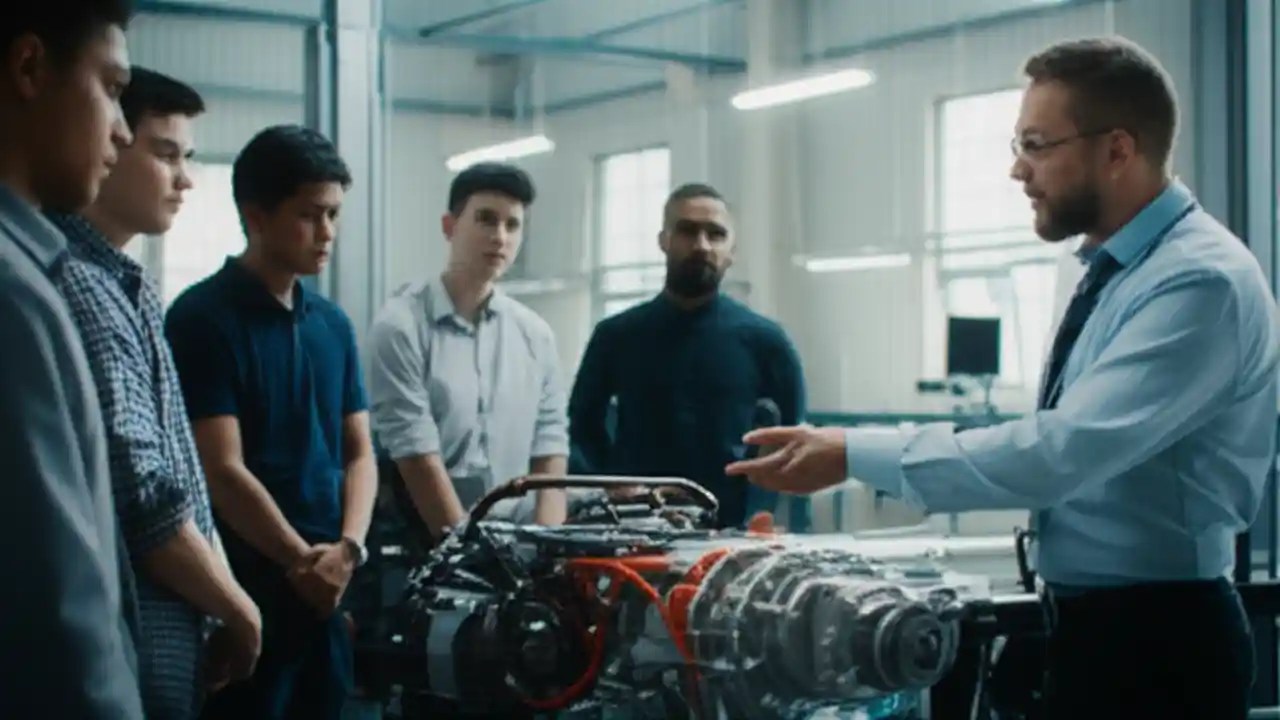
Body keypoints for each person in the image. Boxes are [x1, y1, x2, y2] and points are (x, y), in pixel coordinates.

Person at [727, 37, 1278, 720]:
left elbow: (1060, 451)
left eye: (1037, 144)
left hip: (1158, 643)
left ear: (1118, 149)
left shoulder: (1200, 281)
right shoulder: (1103, 270)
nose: (1019, 170)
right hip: (1084, 627)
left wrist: (851, 451)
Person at [49, 67, 261, 719]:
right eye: (165, 153)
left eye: (187, 158)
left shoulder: (124, 284)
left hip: (168, 633)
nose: (185, 178)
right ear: (108, 143)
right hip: (135, 637)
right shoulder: (81, 286)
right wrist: (238, 607)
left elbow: (180, 477)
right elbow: (143, 496)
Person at [165, 124, 377, 720]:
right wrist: (300, 562)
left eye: (335, 214)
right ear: (256, 214)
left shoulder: (331, 325)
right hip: (245, 600)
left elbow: (359, 453)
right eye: (311, 215)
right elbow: (221, 470)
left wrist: (348, 551)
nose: (328, 232)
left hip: (328, 596)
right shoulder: (202, 320)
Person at [0, 2, 146, 717]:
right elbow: (59, 610)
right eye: (112, 89)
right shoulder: (12, 295)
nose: (122, 129)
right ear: (30, 68)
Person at [570, 183, 808, 531]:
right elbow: (580, 427)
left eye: (715, 234)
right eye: (688, 231)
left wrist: (760, 509)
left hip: (730, 531)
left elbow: (794, 437)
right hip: (632, 531)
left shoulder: (766, 341)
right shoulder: (616, 336)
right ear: (664, 240)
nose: (701, 245)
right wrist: (614, 485)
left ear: (732, 251)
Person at [367, 162, 567, 542]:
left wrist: (548, 550)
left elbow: (550, 447)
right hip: (425, 541)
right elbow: (415, 454)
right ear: (449, 226)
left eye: (513, 225)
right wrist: (469, 558)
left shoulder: (535, 335)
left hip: (519, 542)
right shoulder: (401, 326)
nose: (500, 237)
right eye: (486, 220)